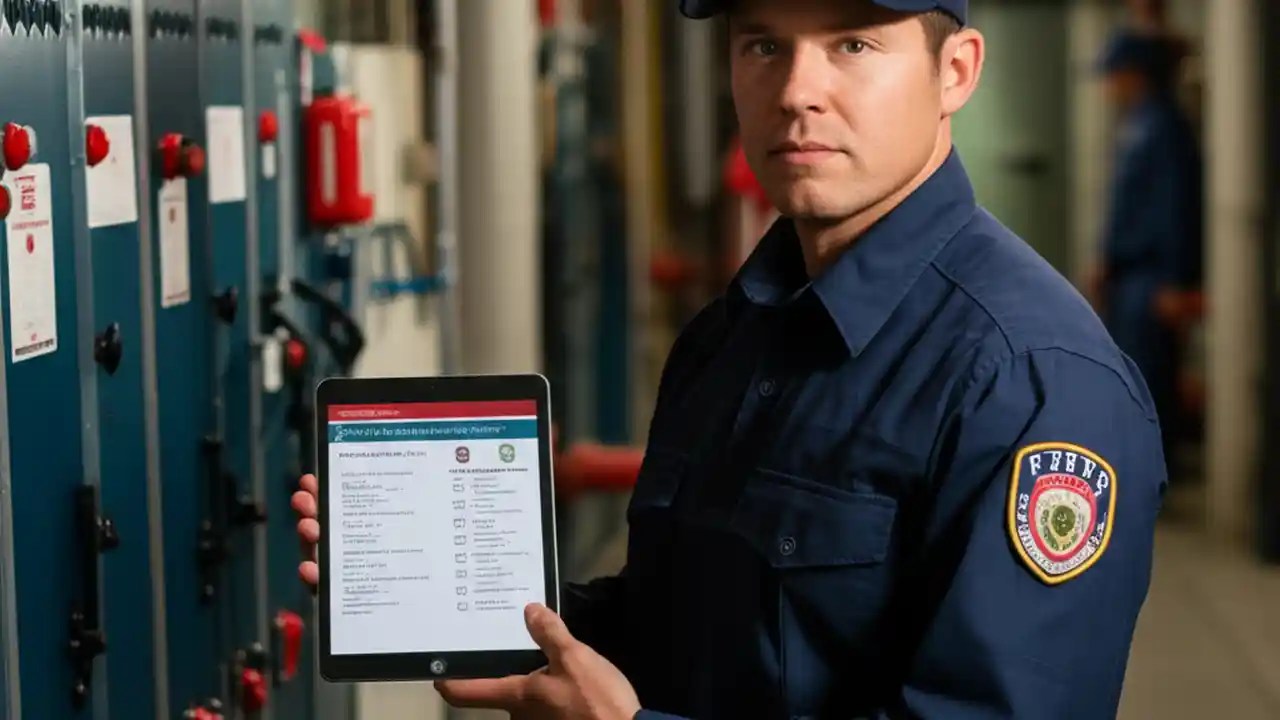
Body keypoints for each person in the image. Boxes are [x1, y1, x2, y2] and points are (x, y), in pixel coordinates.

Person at [294, 1, 1167, 717]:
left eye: (853, 44)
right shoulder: (733, 335)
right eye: (763, 45)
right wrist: (440, 591)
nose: (796, 91)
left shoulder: (1032, 381)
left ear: (956, 72)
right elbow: (688, 623)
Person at [1092, 28, 1203, 469]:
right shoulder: (1138, 126)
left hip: (1153, 278)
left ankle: (1154, 471)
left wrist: (1177, 280)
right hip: (1128, 276)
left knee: (1151, 379)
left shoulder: (1165, 127)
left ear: (1135, 75)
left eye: (1114, 76)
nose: (1109, 88)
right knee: (1130, 376)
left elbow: (1174, 207)